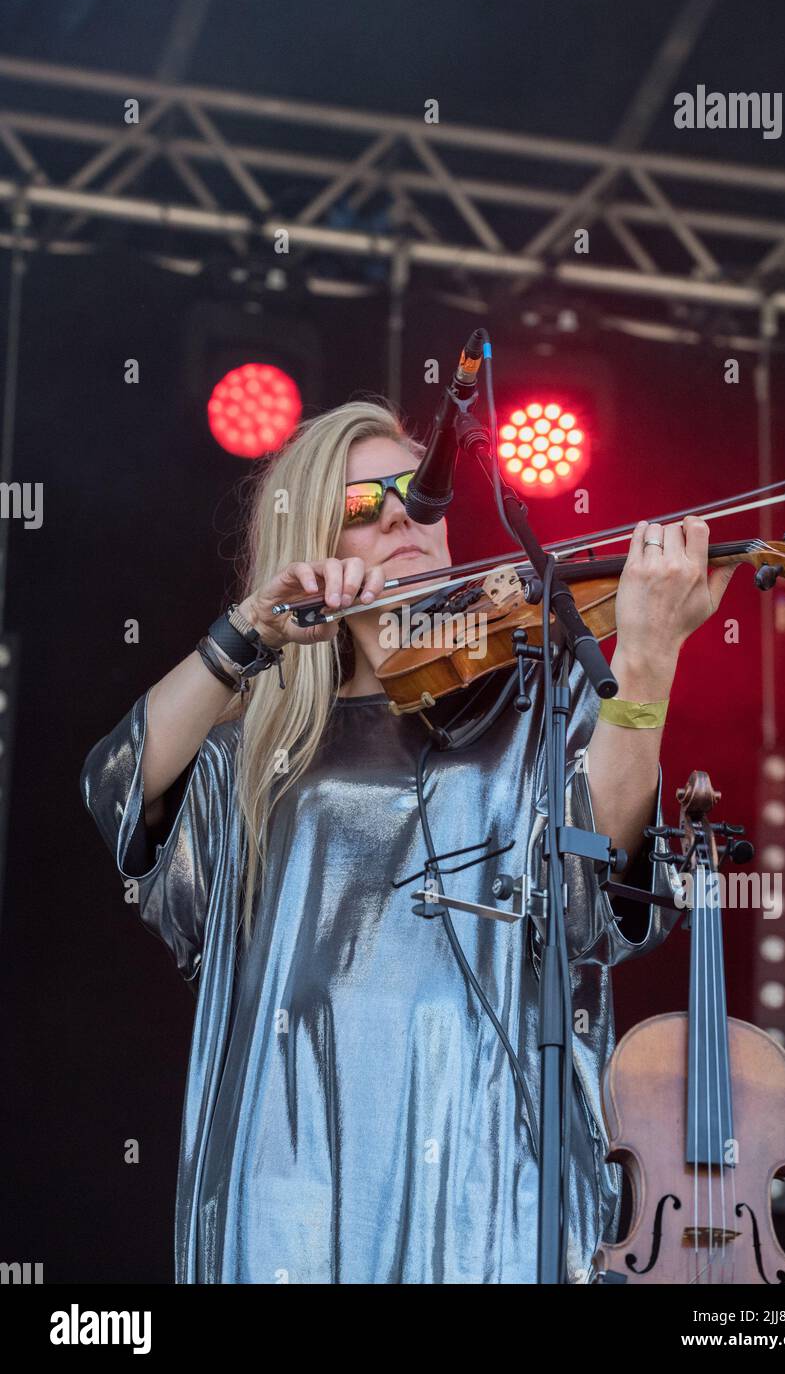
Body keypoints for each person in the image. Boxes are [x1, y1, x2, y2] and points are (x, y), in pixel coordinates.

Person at [80, 399, 737, 1284]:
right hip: (292, 1155)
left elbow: (593, 901)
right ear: (313, 536)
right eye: (363, 506)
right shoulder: (262, 745)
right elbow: (118, 786)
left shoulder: (540, 703)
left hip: (490, 1156)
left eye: (421, 499)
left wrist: (649, 661)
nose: (402, 516)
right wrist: (248, 635)